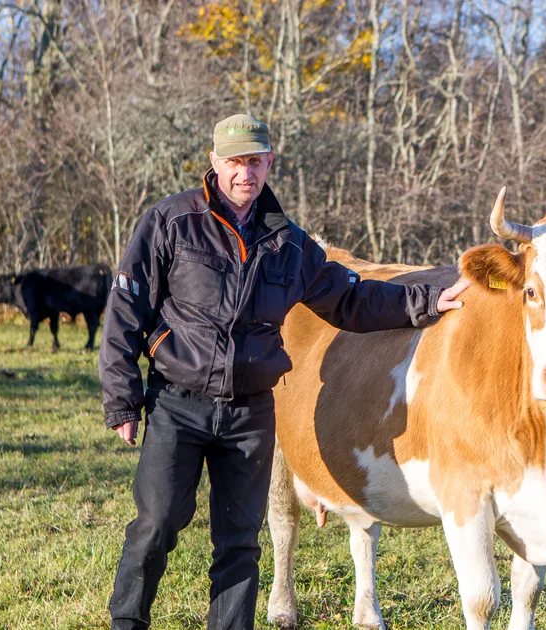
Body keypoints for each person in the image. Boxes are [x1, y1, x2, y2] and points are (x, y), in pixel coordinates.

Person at [98, 113, 470, 630]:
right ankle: (127, 622)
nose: (244, 173)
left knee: (239, 541)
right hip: (177, 401)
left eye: (254, 161)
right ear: (214, 162)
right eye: (234, 162)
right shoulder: (170, 222)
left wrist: (428, 300)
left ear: (269, 163)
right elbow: (126, 309)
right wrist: (122, 397)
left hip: (250, 410)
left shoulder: (288, 244)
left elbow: (352, 299)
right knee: (157, 523)